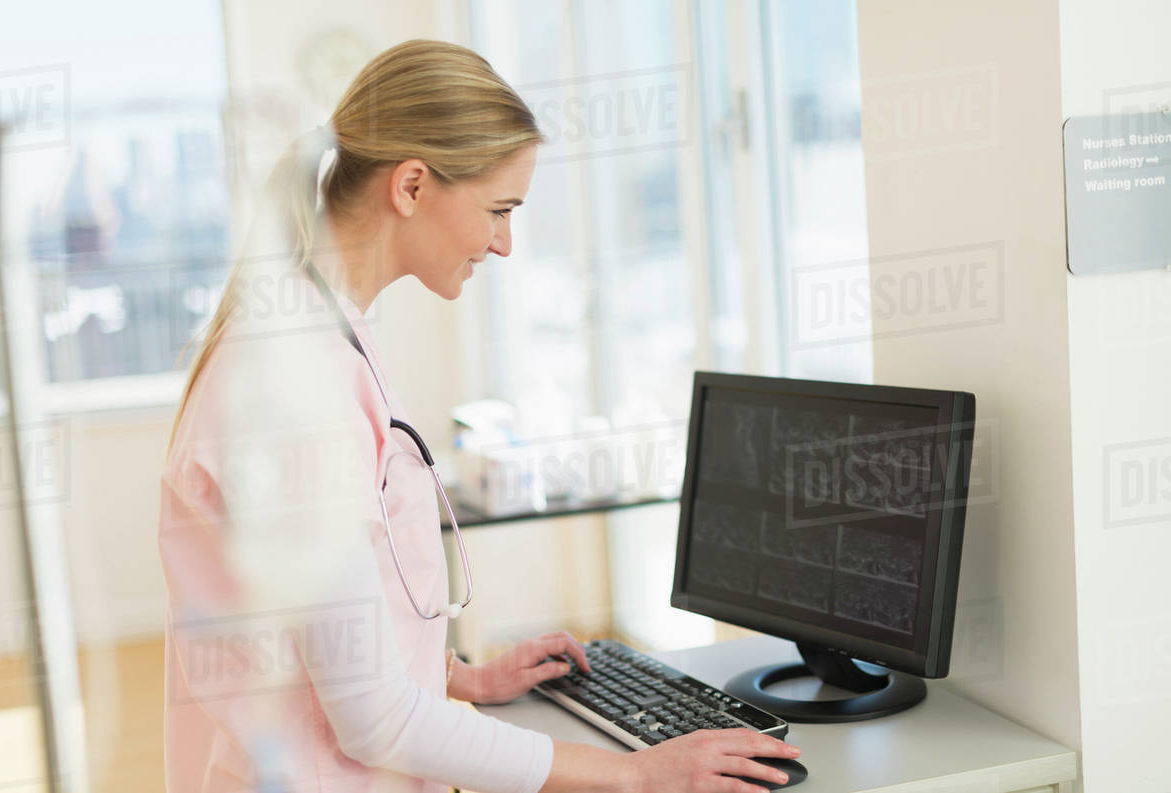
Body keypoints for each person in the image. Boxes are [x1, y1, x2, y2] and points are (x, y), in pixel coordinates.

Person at [159, 38, 801, 793]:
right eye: (498, 210)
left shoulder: (322, 334)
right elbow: (376, 722)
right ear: (411, 186)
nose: (504, 243)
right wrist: (632, 773)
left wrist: (458, 675)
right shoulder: (291, 383)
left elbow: (315, 628)